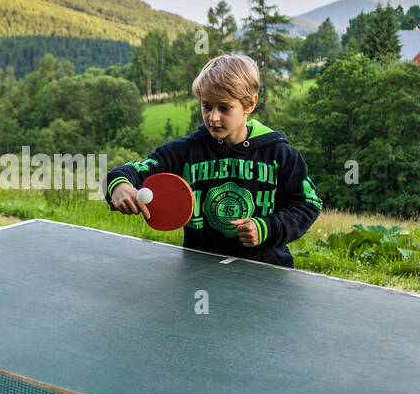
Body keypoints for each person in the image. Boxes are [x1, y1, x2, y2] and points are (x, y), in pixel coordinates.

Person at [105, 54, 322, 267]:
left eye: (224, 108)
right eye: (207, 106)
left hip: (265, 272)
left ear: (250, 104)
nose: (213, 117)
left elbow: (307, 204)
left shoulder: (280, 154)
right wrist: (120, 185)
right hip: (200, 272)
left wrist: (268, 227)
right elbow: (132, 171)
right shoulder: (185, 151)